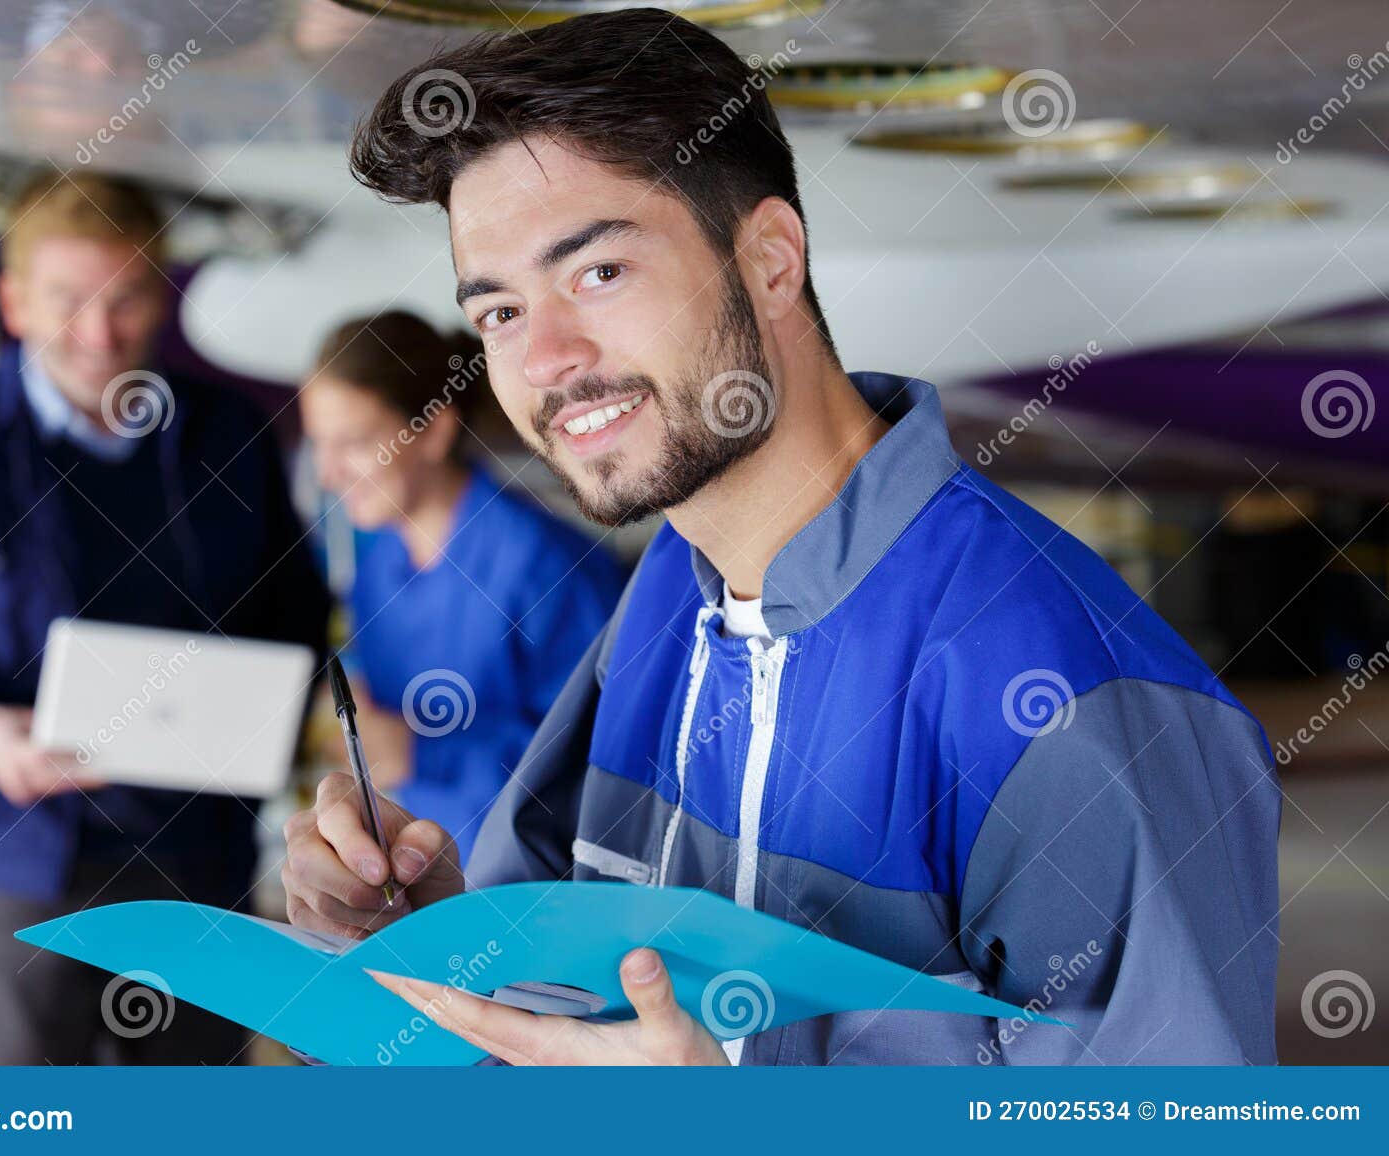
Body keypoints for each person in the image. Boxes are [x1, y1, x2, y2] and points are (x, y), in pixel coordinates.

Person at [281, 9, 1279, 1065]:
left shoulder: (1074, 693)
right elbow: (569, 985)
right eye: (499, 313)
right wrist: (435, 937)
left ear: (769, 259)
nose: (546, 359)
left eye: (599, 273)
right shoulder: (670, 599)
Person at [0, 171, 329, 1065]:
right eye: (68, 302)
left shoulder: (229, 434)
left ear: (164, 295)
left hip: (200, 852)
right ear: (13, 302)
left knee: (191, 1113)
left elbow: (295, 608)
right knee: (18, 1115)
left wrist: (273, 725)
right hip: (27, 858)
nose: (101, 335)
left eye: (128, 299)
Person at [299, 310, 625, 862]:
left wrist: (422, 753)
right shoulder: (378, 565)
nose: (328, 474)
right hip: (421, 872)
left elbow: (606, 766)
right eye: (318, 444)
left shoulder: (546, 566)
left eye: (353, 442)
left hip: (536, 885)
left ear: (435, 430)